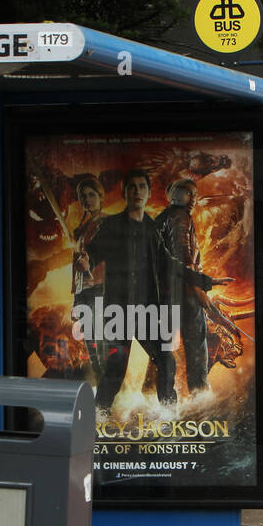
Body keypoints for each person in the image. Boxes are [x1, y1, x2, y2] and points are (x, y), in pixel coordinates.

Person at [76, 169, 175, 409]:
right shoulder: (111, 225)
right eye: (132, 186)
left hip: (146, 312)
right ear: (125, 193)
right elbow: (94, 252)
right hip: (118, 313)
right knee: (115, 369)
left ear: (149, 193)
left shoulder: (153, 229)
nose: (137, 191)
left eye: (142, 186)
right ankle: (99, 414)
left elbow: (169, 265)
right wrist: (86, 260)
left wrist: (201, 280)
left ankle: (170, 413)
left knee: (166, 359)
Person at [154, 179, 229, 394]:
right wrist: (198, 290)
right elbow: (183, 258)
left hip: (166, 296)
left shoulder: (162, 218)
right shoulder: (180, 217)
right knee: (196, 348)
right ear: (176, 195)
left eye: (194, 193)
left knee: (165, 350)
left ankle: (157, 397)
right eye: (188, 192)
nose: (193, 197)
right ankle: (200, 398)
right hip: (185, 294)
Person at [70, 174, 107, 380]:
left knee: (101, 346)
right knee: (92, 346)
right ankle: (104, 394)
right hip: (85, 292)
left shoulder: (107, 223)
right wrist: (76, 298)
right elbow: (77, 269)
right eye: (83, 196)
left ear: (100, 196)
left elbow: (112, 256)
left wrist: (89, 265)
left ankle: (109, 394)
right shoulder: (83, 229)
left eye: (91, 194)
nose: (87, 199)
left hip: (99, 291)